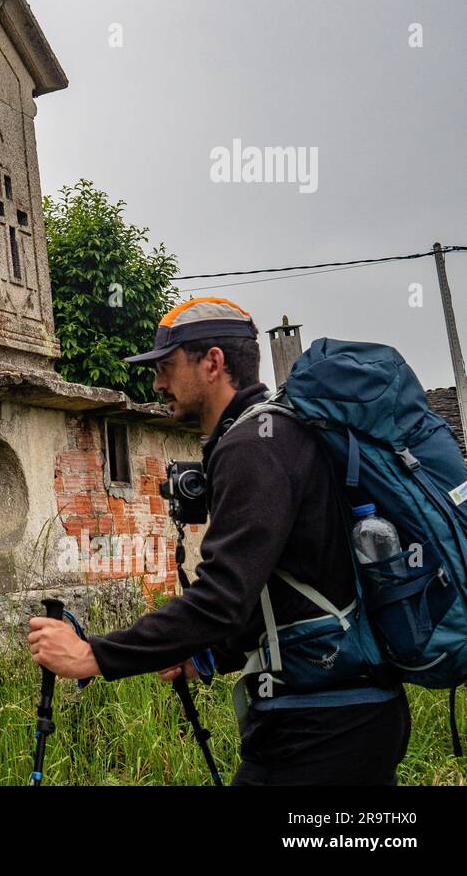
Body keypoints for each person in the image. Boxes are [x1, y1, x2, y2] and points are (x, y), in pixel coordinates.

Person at [26, 297, 410, 785]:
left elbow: (221, 598)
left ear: (213, 362)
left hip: (321, 728)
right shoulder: (277, 434)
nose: (157, 384)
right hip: (344, 716)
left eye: (166, 367)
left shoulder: (254, 446)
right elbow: (284, 586)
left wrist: (93, 655)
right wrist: (211, 655)